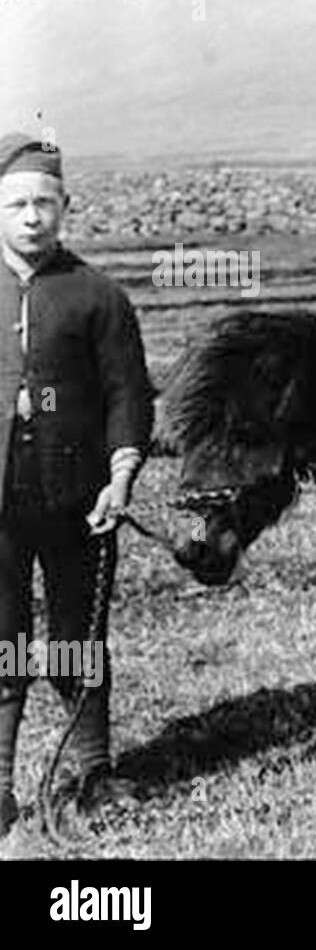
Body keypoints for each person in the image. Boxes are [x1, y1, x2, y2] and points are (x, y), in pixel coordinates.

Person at [0, 132, 153, 838]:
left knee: (76, 638)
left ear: (66, 207)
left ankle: (94, 772)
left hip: (79, 501)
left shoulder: (97, 296)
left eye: (44, 203)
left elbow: (128, 395)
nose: (32, 217)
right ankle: (0, 788)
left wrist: (120, 475)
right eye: (17, 204)